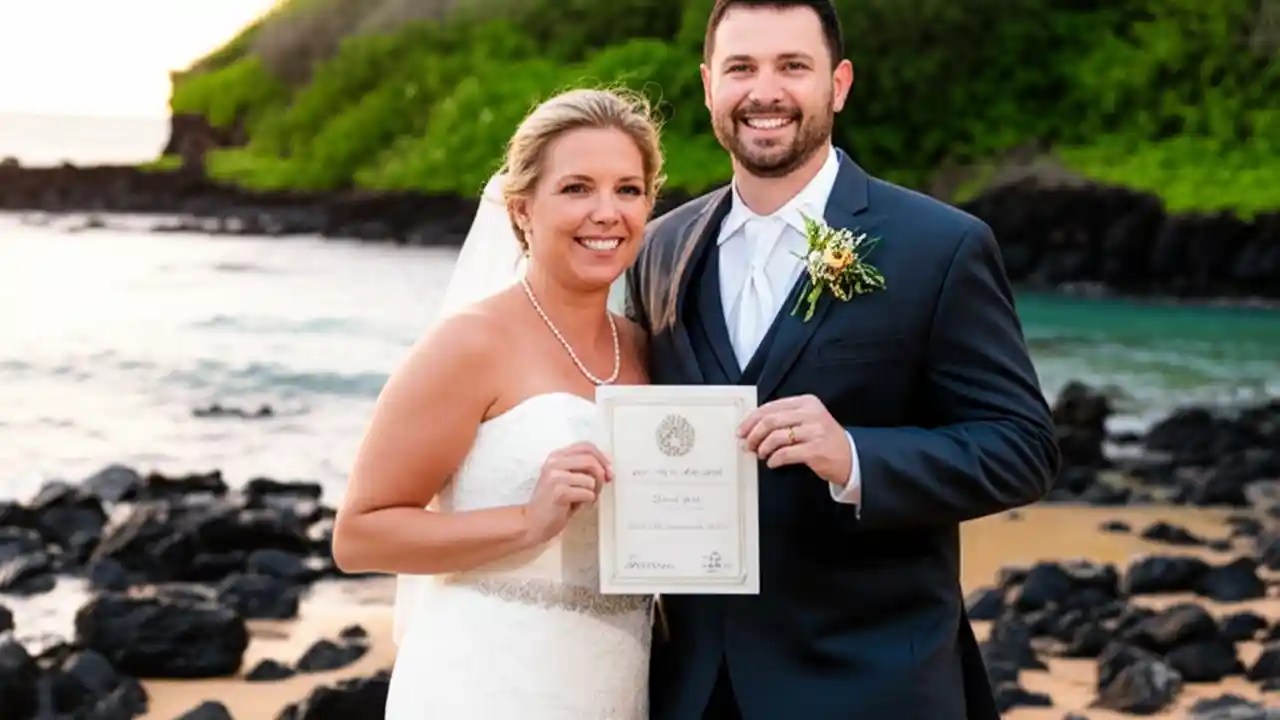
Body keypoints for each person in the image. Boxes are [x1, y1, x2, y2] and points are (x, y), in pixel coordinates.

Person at [624, 1, 1061, 718]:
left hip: (871, 682)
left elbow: (1023, 449)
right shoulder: (661, 248)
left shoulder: (940, 246)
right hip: (696, 688)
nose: (765, 91)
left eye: (793, 66)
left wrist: (855, 457)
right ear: (708, 86)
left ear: (839, 84)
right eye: (741, 68)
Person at [331, 87, 666, 718]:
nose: (607, 212)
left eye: (628, 189)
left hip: (617, 679)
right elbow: (359, 536)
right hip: (489, 678)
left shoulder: (646, 349)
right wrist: (527, 522)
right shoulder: (471, 343)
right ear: (521, 210)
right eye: (576, 189)